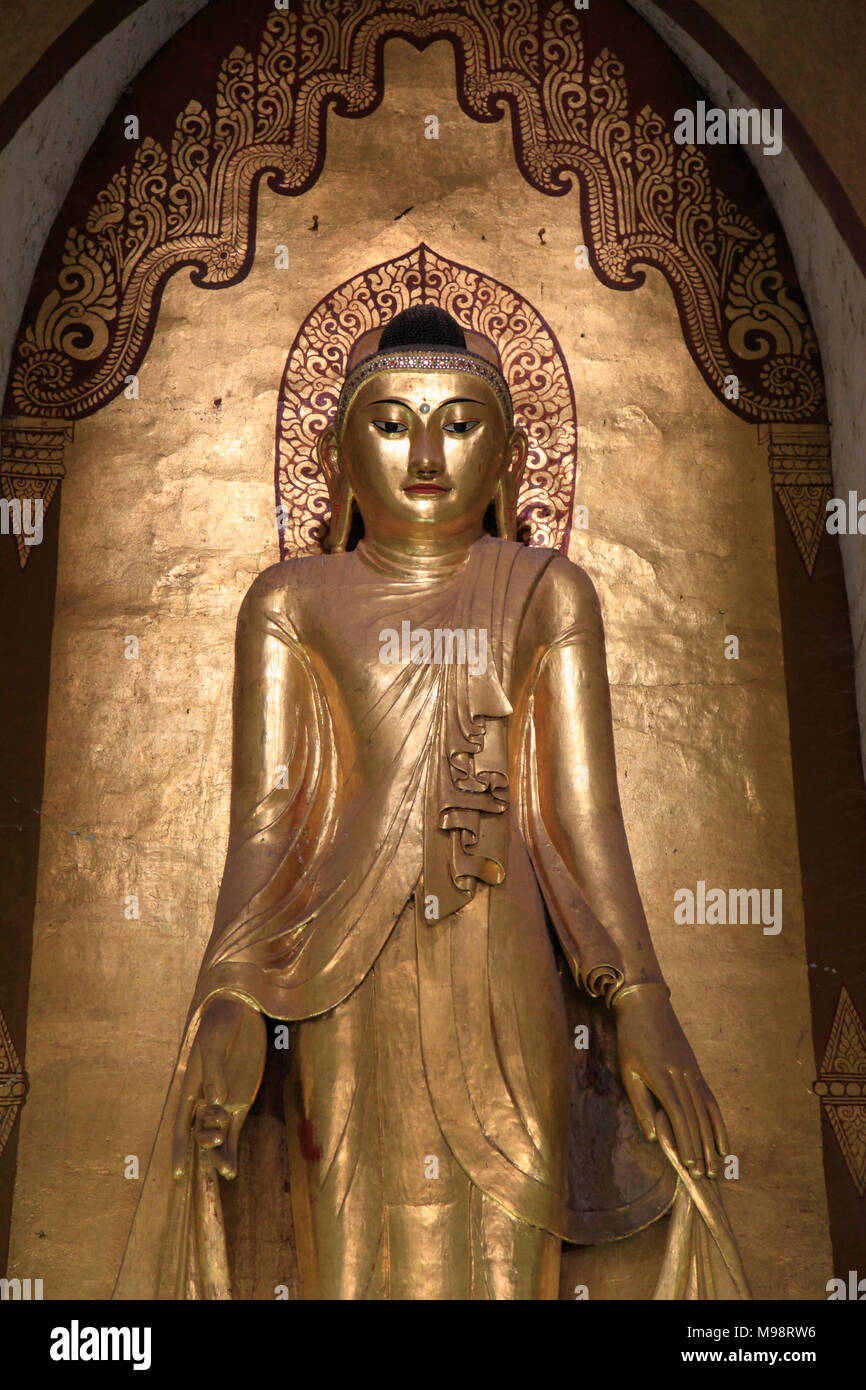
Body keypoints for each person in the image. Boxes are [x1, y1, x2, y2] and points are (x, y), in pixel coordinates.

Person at [115, 304, 737, 1300]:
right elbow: (270, 825)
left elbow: (581, 819)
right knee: (350, 1249)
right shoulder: (290, 602)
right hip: (342, 976)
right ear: (337, 456)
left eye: (459, 424)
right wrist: (229, 1001)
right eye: (392, 423)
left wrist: (642, 1000)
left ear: (508, 458)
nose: (426, 456)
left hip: (502, 958)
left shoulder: (547, 591)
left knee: (506, 1245)